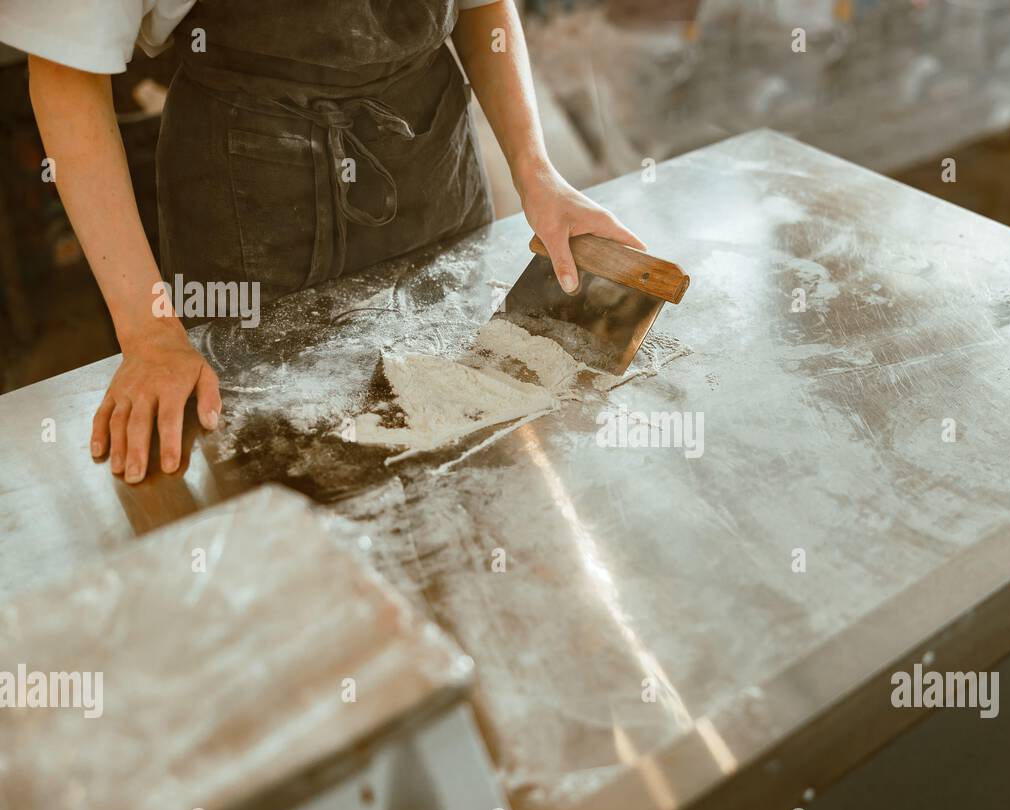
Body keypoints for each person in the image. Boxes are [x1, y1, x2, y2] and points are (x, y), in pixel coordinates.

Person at [3, 0, 643, 483]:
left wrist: (539, 175)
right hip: (251, 198)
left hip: (429, 161)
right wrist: (148, 334)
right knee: (280, 469)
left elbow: (482, 6)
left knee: (465, 449)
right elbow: (66, 73)